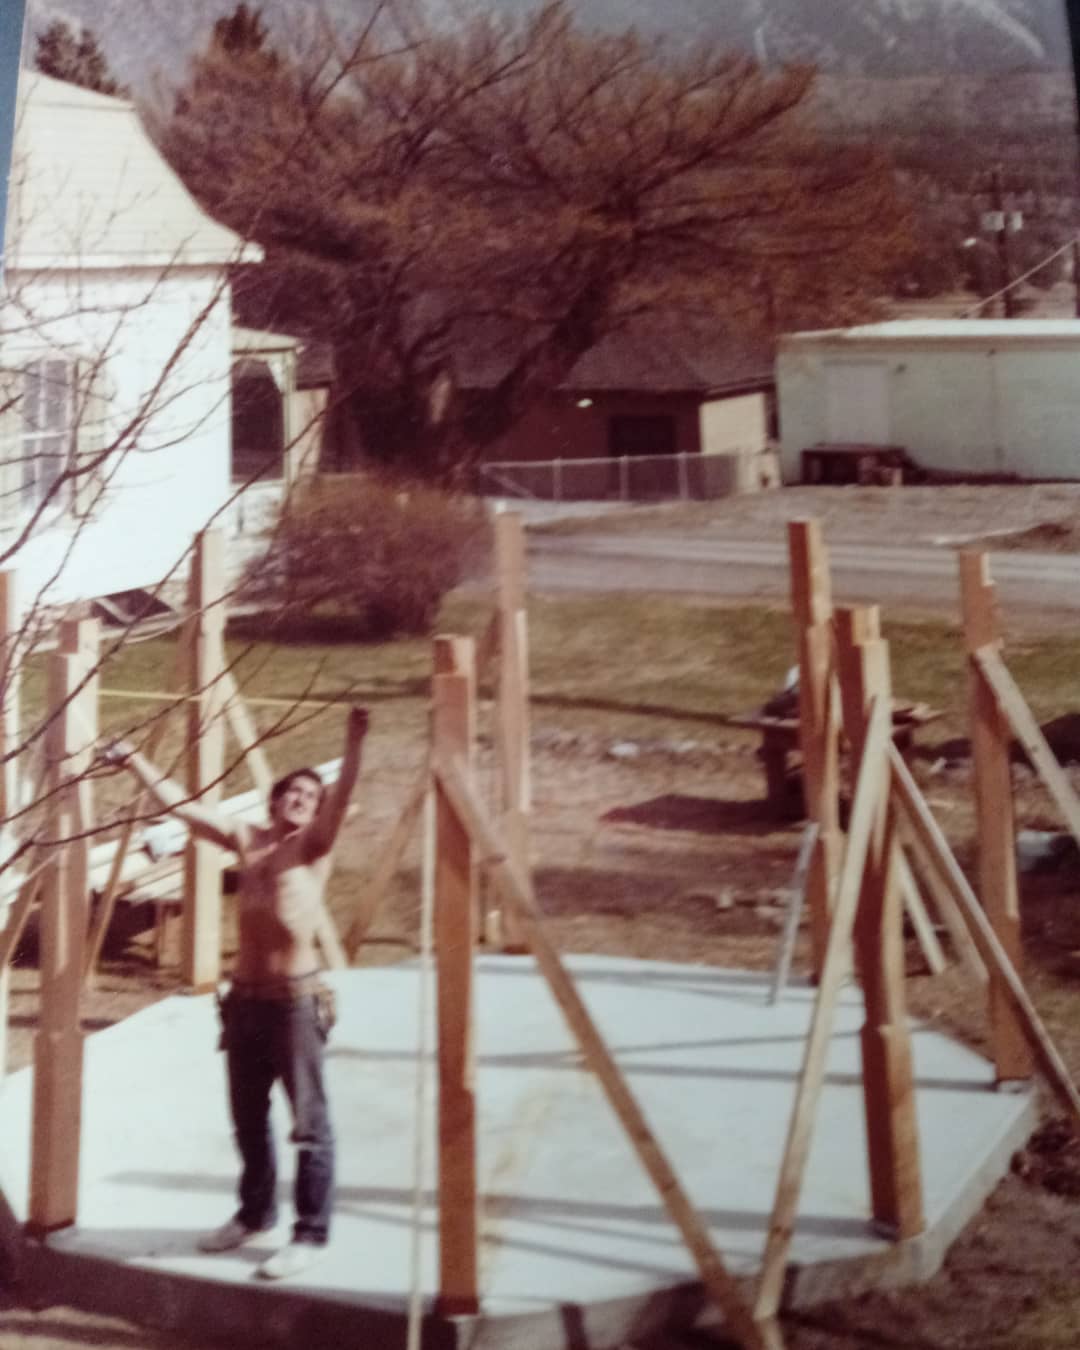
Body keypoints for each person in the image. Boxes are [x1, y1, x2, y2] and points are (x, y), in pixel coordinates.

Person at [104, 706, 370, 1280]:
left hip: (294, 1003)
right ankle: (254, 1215)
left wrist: (355, 740)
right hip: (244, 1004)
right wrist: (133, 760)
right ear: (274, 800)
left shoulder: (314, 847)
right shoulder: (247, 840)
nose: (300, 798)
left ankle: (309, 1233)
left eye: (310, 795)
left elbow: (344, 794)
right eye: (292, 791)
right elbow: (181, 807)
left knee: (309, 1125)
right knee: (248, 1118)